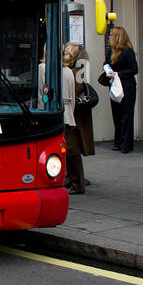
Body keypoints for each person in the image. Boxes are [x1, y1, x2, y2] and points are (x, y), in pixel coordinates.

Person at [102, 25, 138, 153]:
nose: (109, 37)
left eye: (111, 35)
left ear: (117, 37)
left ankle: (126, 145)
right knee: (116, 115)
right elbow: (106, 63)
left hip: (127, 86)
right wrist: (107, 69)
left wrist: (117, 73)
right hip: (115, 85)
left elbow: (134, 69)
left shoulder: (128, 51)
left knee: (126, 115)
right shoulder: (112, 52)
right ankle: (118, 142)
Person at [61, 44, 87, 194]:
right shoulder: (73, 71)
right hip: (73, 112)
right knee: (71, 148)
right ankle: (73, 180)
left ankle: (77, 182)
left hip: (73, 113)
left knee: (72, 149)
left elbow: (75, 91)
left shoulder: (76, 72)